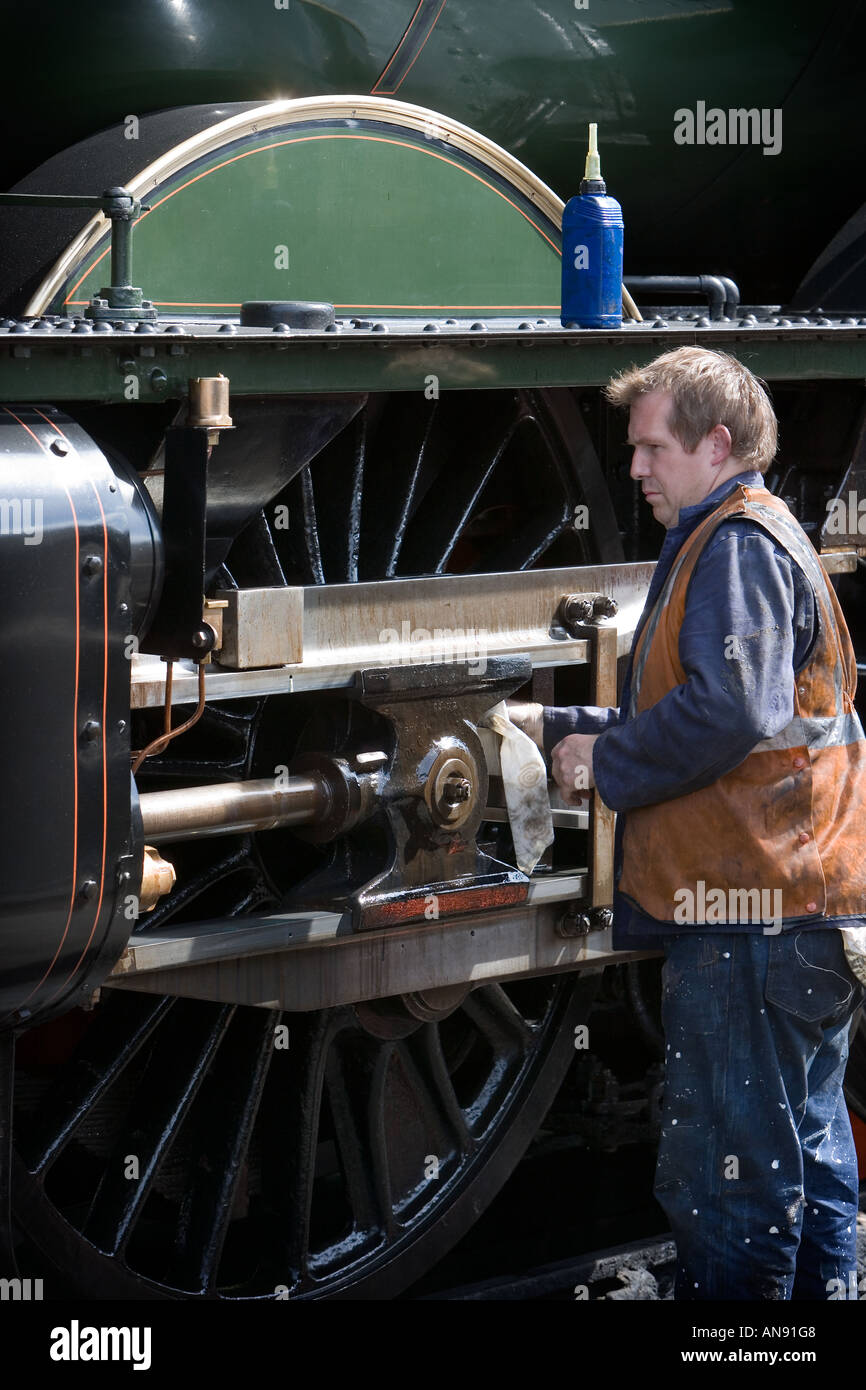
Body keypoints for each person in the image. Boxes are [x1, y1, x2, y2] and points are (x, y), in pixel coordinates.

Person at [521, 346, 866, 1300]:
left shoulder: (738, 545)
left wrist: (611, 764)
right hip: (798, 913)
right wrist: (554, 729)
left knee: (732, 1195)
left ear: (716, 445)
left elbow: (729, 714)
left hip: (750, 918)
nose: (634, 470)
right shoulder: (750, 537)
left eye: (650, 449)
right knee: (809, 1168)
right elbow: (713, 709)